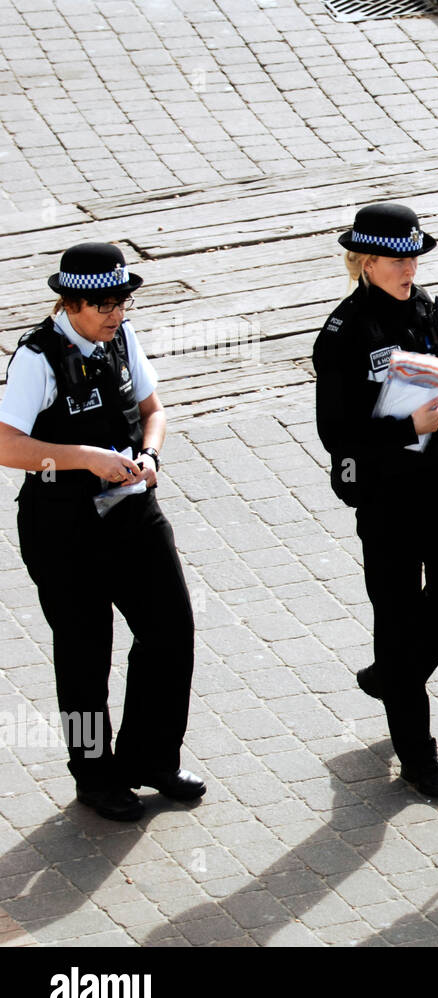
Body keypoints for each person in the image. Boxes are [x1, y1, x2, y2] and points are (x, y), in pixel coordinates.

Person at [0, 243, 201, 822]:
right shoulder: (37, 358)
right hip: (63, 527)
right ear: (70, 301)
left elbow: (153, 409)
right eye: (102, 303)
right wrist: (84, 456)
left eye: (122, 300)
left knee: (170, 629)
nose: (115, 313)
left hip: (132, 508)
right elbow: (8, 445)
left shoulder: (122, 338)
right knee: (86, 655)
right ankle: (94, 774)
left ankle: (151, 758)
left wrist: (151, 452)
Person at [313, 202, 438, 799]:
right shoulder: (343, 334)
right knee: (397, 612)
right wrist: (405, 429)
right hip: (386, 494)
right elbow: (337, 433)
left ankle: (392, 676)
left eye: (414, 255)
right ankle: (417, 752)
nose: (409, 266)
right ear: (364, 261)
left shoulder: (427, 307)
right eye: (397, 258)